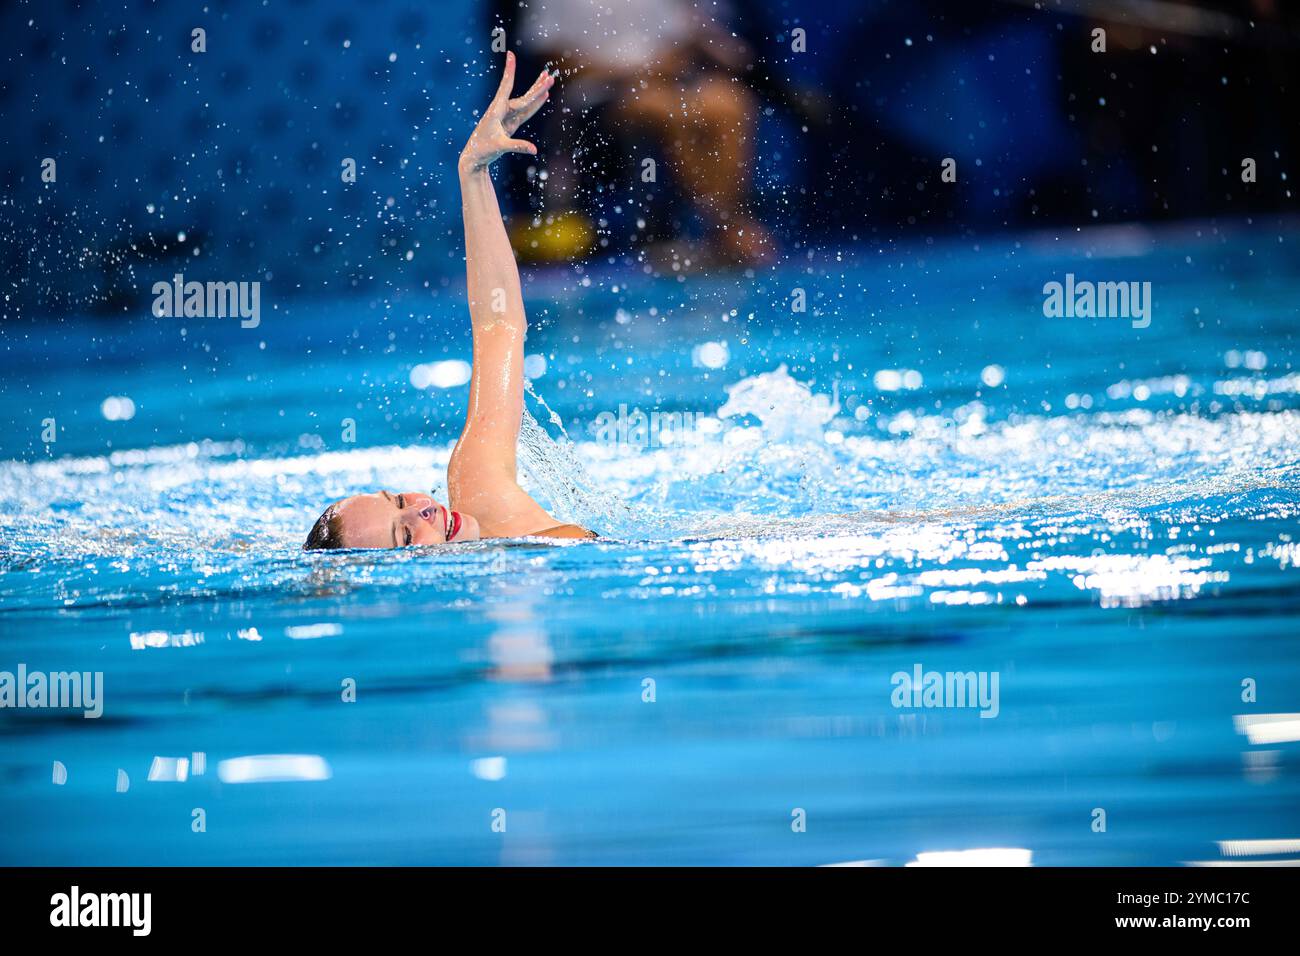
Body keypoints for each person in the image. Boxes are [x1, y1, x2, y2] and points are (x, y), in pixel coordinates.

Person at [304, 54, 594, 550]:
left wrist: (473, 172)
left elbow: (498, 325)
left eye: (399, 501)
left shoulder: (478, 485)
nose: (424, 510)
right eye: (404, 534)